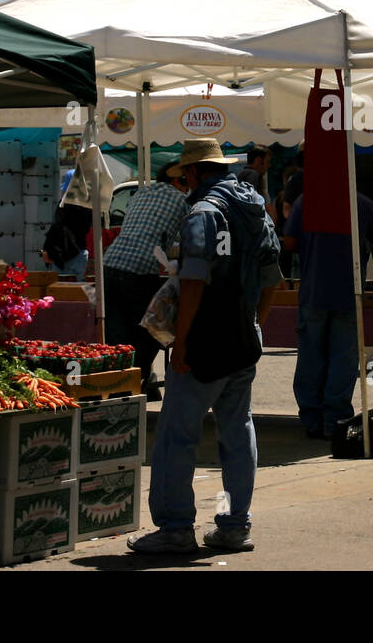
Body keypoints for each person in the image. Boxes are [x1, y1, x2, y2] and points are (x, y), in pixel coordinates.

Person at [129, 139, 281, 555]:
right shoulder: (255, 210)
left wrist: (181, 345)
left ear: (193, 174)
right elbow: (273, 280)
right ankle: (235, 526)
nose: (183, 184)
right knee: (237, 430)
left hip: (204, 341)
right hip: (243, 340)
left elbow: (194, 279)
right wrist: (254, 326)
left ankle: (175, 528)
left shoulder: (203, 213)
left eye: (184, 177)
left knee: (178, 435)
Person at [280, 191, 373, 438]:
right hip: (348, 291)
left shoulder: (305, 201)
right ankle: (335, 419)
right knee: (342, 358)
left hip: (313, 290)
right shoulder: (362, 203)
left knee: (311, 356)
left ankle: (312, 418)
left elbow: (289, 244)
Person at [103, 170, 190, 400]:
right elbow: (188, 240)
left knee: (116, 333)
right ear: (177, 180)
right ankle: (136, 382)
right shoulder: (183, 201)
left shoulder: (140, 194)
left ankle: (120, 384)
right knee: (151, 330)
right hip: (140, 270)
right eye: (185, 181)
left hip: (110, 264)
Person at [41, 204, 91, 280]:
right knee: (79, 287)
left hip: (63, 254)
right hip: (80, 252)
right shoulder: (86, 204)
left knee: (62, 289)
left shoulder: (65, 202)